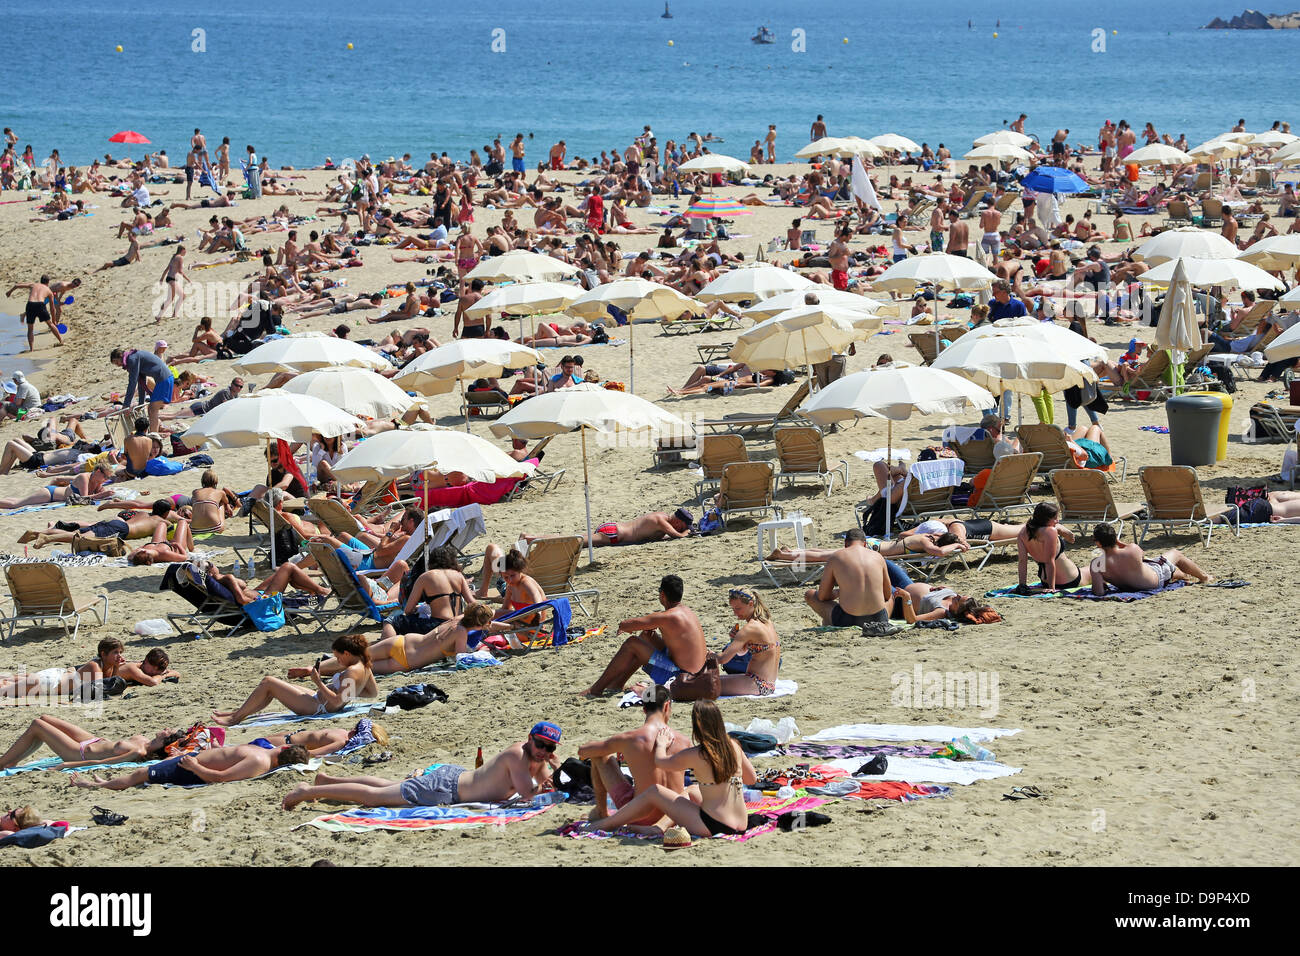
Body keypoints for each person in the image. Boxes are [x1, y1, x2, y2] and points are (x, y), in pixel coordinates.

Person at [572, 701, 757, 837]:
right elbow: (752, 780)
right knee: (691, 790)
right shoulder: (734, 746)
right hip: (741, 824)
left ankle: (607, 823)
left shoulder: (697, 753)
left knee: (655, 791)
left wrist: (661, 744)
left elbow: (661, 762)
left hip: (711, 825)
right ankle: (658, 828)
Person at [281, 721, 562, 810]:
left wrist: (553, 768)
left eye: (550, 748)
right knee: (375, 798)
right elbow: (529, 794)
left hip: (452, 780)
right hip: (446, 789)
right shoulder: (517, 755)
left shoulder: (535, 757)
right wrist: (550, 778)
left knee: (392, 788)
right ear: (529, 739)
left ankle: (327, 783)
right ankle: (306, 791)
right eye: (541, 745)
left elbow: (547, 784)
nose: (543, 752)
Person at [578, 684, 692, 825]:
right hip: (674, 817)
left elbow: (583, 751)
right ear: (667, 706)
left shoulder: (630, 738)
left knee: (599, 754)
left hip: (637, 816)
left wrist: (621, 749)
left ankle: (600, 811)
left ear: (644, 709)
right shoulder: (684, 741)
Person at [580, 575, 707, 697]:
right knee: (647, 636)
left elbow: (625, 625)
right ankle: (616, 684)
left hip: (682, 679)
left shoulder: (668, 616)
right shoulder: (687, 612)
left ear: (662, 594)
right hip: (699, 675)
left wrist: (627, 627)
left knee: (632, 643)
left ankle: (596, 689)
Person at [211, 634, 377, 726]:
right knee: (277, 687)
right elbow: (372, 693)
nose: (338, 661)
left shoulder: (351, 671)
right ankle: (238, 713)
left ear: (347, 653)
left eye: (338, 657)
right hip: (319, 700)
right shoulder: (365, 666)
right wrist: (348, 693)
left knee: (269, 682)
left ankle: (235, 719)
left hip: (318, 708)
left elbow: (336, 702)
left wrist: (318, 682)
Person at [71, 742, 310, 790]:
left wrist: (195, 766)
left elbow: (221, 778)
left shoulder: (260, 761)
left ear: (285, 752)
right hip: (192, 760)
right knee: (145, 771)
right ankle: (106, 783)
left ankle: (95, 786)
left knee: (141, 774)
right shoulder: (264, 751)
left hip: (189, 769)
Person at [0, 715, 182, 770]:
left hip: (78, 752)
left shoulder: (139, 753)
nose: (166, 727)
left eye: (169, 731)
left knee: (37, 726)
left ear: (166, 741)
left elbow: (102, 763)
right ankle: (13, 760)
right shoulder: (143, 740)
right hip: (92, 740)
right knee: (44, 718)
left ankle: (2, 763)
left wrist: (66, 764)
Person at [803, 528, 892, 627]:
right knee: (892, 597)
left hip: (848, 620)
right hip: (878, 619)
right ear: (865, 544)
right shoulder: (878, 557)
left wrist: (838, 592)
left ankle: (828, 621)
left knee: (810, 594)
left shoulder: (836, 557)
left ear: (845, 544)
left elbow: (822, 596)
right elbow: (887, 595)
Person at [1089, 522, 1212, 592]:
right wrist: (1121, 543)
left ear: (1098, 543)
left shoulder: (1096, 564)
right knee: (1176, 554)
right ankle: (1205, 577)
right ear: (1115, 538)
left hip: (1131, 586)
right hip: (1154, 581)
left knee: (1155, 564)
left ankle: (1182, 576)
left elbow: (1098, 592)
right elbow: (1142, 555)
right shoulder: (1132, 549)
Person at [715, 587, 781, 697]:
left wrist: (707, 656)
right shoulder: (767, 622)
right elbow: (742, 652)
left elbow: (723, 659)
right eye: (733, 609)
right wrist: (735, 640)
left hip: (758, 683)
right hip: (769, 684)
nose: (735, 613)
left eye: (738, 608)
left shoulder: (750, 628)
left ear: (751, 604)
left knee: (705, 684)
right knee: (712, 680)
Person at [1016, 502, 1090, 592]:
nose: (1057, 520)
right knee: (1097, 568)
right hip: (1069, 579)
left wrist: (1022, 585)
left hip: (1045, 581)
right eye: (1055, 518)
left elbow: (1022, 561)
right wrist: (1051, 588)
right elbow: (1049, 561)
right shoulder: (1050, 531)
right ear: (1045, 519)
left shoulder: (1023, 533)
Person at [110, 346, 173, 434]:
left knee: (152, 409)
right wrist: (141, 403)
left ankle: (154, 436)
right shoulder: (133, 357)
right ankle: (154, 434)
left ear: (121, 355)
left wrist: (126, 405)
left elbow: (132, 383)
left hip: (164, 379)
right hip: (165, 378)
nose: (118, 365)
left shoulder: (132, 359)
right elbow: (141, 382)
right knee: (152, 409)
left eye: (117, 362)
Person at [569, 508, 693, 547]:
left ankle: (552, 538)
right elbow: (677, 536)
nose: (681, 529)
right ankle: (551, 541)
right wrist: (686, 532)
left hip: (613, 528)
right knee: (575, 543)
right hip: (615, 534)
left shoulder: (661, 516)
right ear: (677, 522)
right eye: (682, 526)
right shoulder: (661, 521)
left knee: (576, 538)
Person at [5, 275, 63, 350]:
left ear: (40, 280)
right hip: (40, 305)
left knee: (30, 329)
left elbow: (17, 285)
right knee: (50, 324)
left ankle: (31, 349)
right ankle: (61, 341)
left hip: (30, 304)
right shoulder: (49, 291)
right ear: (48, 282)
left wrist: (9, 292)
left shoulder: (34, 285)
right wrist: (54, 320)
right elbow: (52, 308)